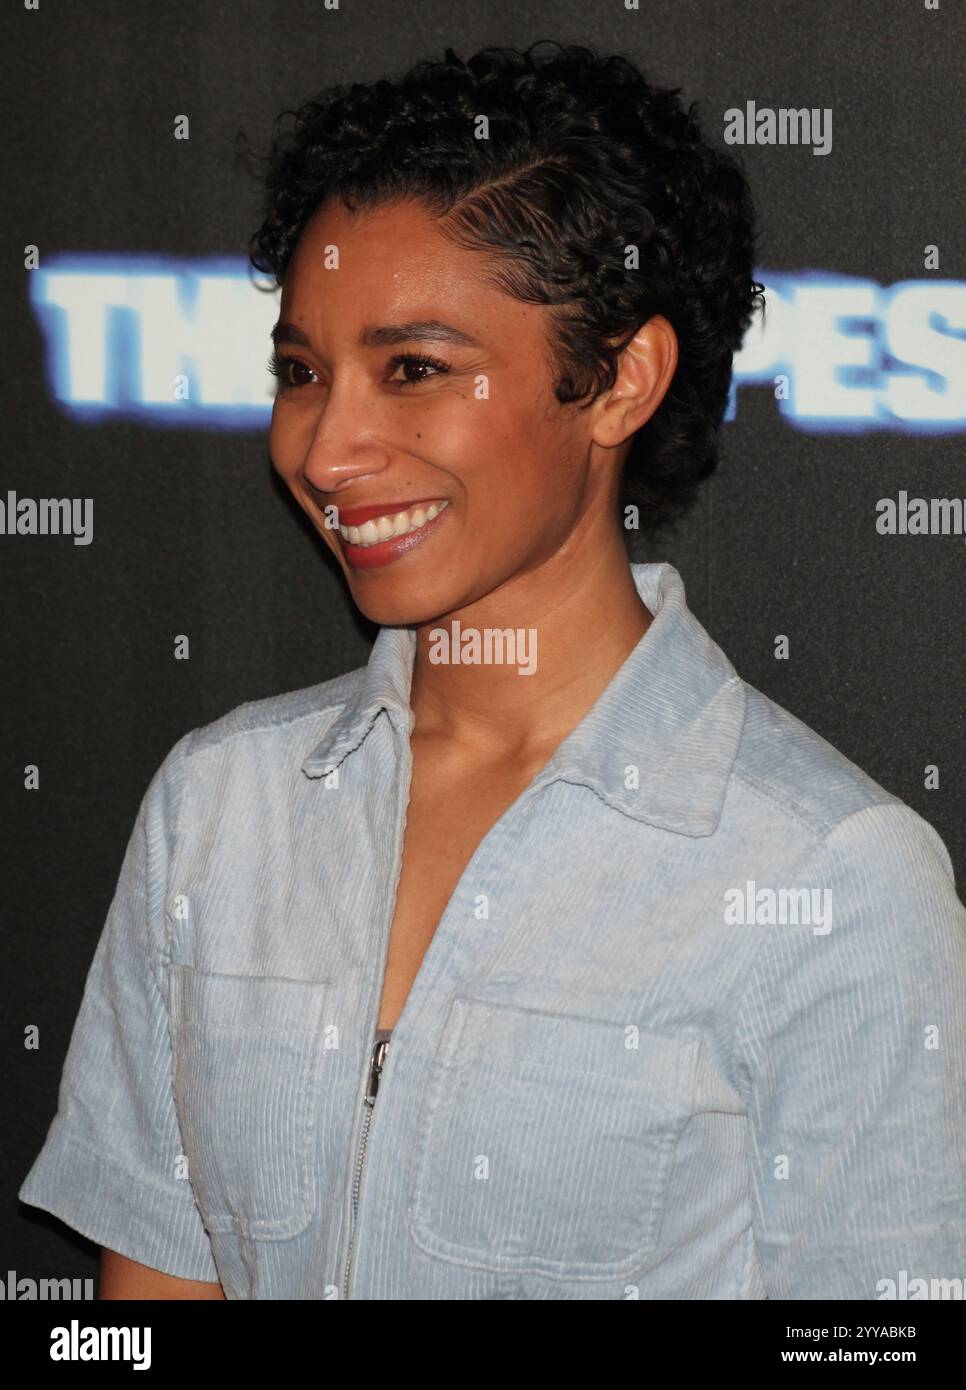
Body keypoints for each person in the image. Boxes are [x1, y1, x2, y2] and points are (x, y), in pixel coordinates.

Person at [19, 41, 966, 1301]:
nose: (329, 447)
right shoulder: (219, 808)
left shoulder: (831, 875)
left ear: (619, 381)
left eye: (415, 369)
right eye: (301, 373)